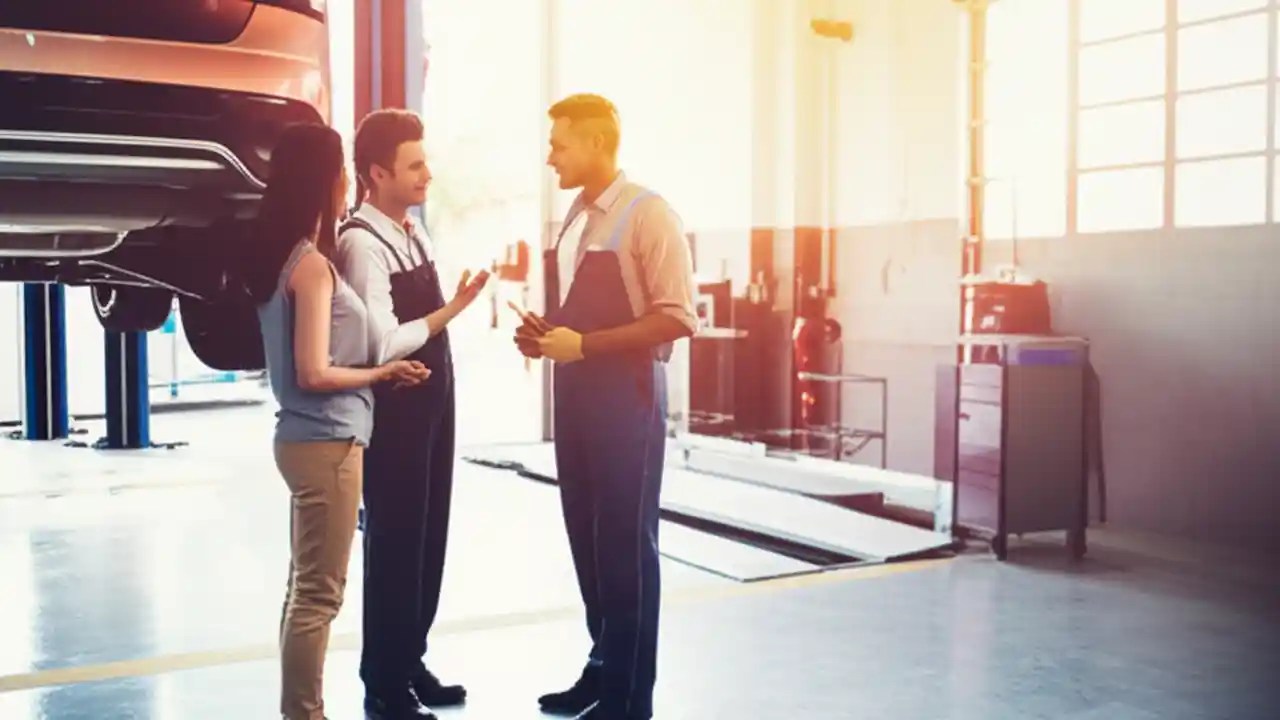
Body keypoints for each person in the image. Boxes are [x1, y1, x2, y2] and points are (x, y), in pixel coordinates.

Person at [513, 93, 697, 720]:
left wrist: (584, 345)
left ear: (596, 143)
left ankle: (629, 698)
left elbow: (677, 318)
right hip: (576, 392)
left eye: (559, 145)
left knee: (624, 544)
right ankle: (603, 670)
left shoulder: (649, 215)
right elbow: (579, 309)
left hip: (627, 398)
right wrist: (545, 335)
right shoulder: (574, 216)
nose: (550, 158)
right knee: (587, 539)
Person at [248, 122, 431, 720]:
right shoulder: (311, 267)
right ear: (327, 180)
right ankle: (306, 713)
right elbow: (313, 371)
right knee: (318, 596)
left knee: (302, 590)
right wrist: (382, 373)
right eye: (343, 172)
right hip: (327, 440)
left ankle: (299, 710)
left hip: (306, 439)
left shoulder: (285, 259)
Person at [334, 109, 489, 720]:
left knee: (428, 537)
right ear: (377, 173)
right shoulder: (361, 243)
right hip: (395, 411)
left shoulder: (413, 232)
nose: (428, 174)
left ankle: (410, 658)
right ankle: (383, 682)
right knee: (395, 542)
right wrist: (455, 308)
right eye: (414, 165)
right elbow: (381, 342)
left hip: (434, 401)